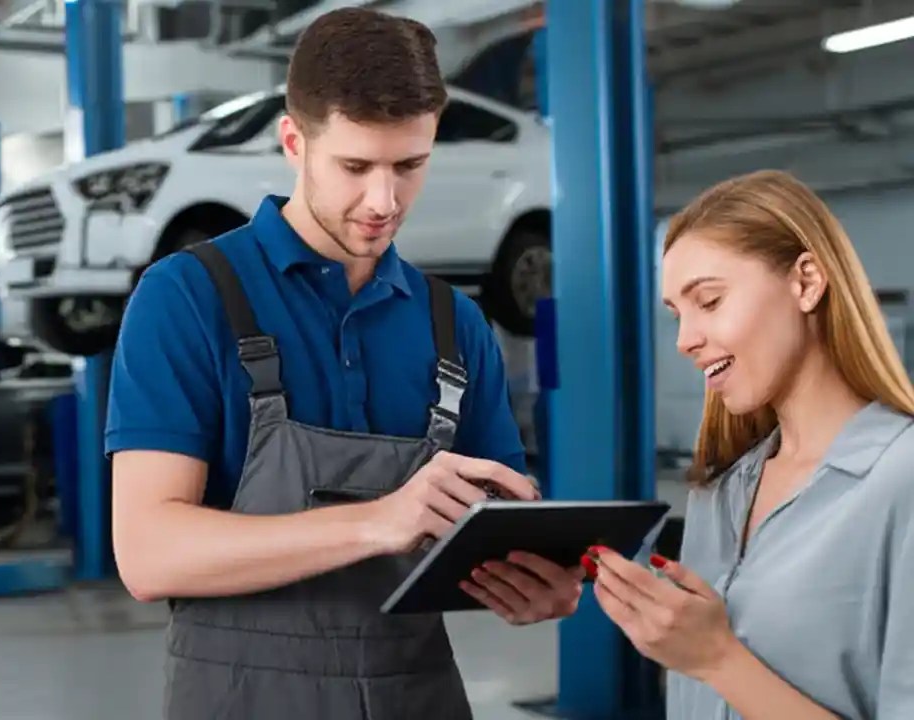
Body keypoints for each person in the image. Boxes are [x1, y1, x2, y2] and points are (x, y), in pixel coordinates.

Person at [105, 7, 584, 719]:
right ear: (293, 142)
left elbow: (486, 533)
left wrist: (532, 579)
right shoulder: (187, 297)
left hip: (415, 697)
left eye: (410, 165)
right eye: (355, 167)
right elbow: (149, 555)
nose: (384, 201)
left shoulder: (456, 326)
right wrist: (376, 522)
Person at [588, 169, 914, 719]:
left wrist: (717, 659)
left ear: (806, 282)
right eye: (677, 314)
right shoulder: (721, 490)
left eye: (709, 301)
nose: (684, 339)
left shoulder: (901, 481)